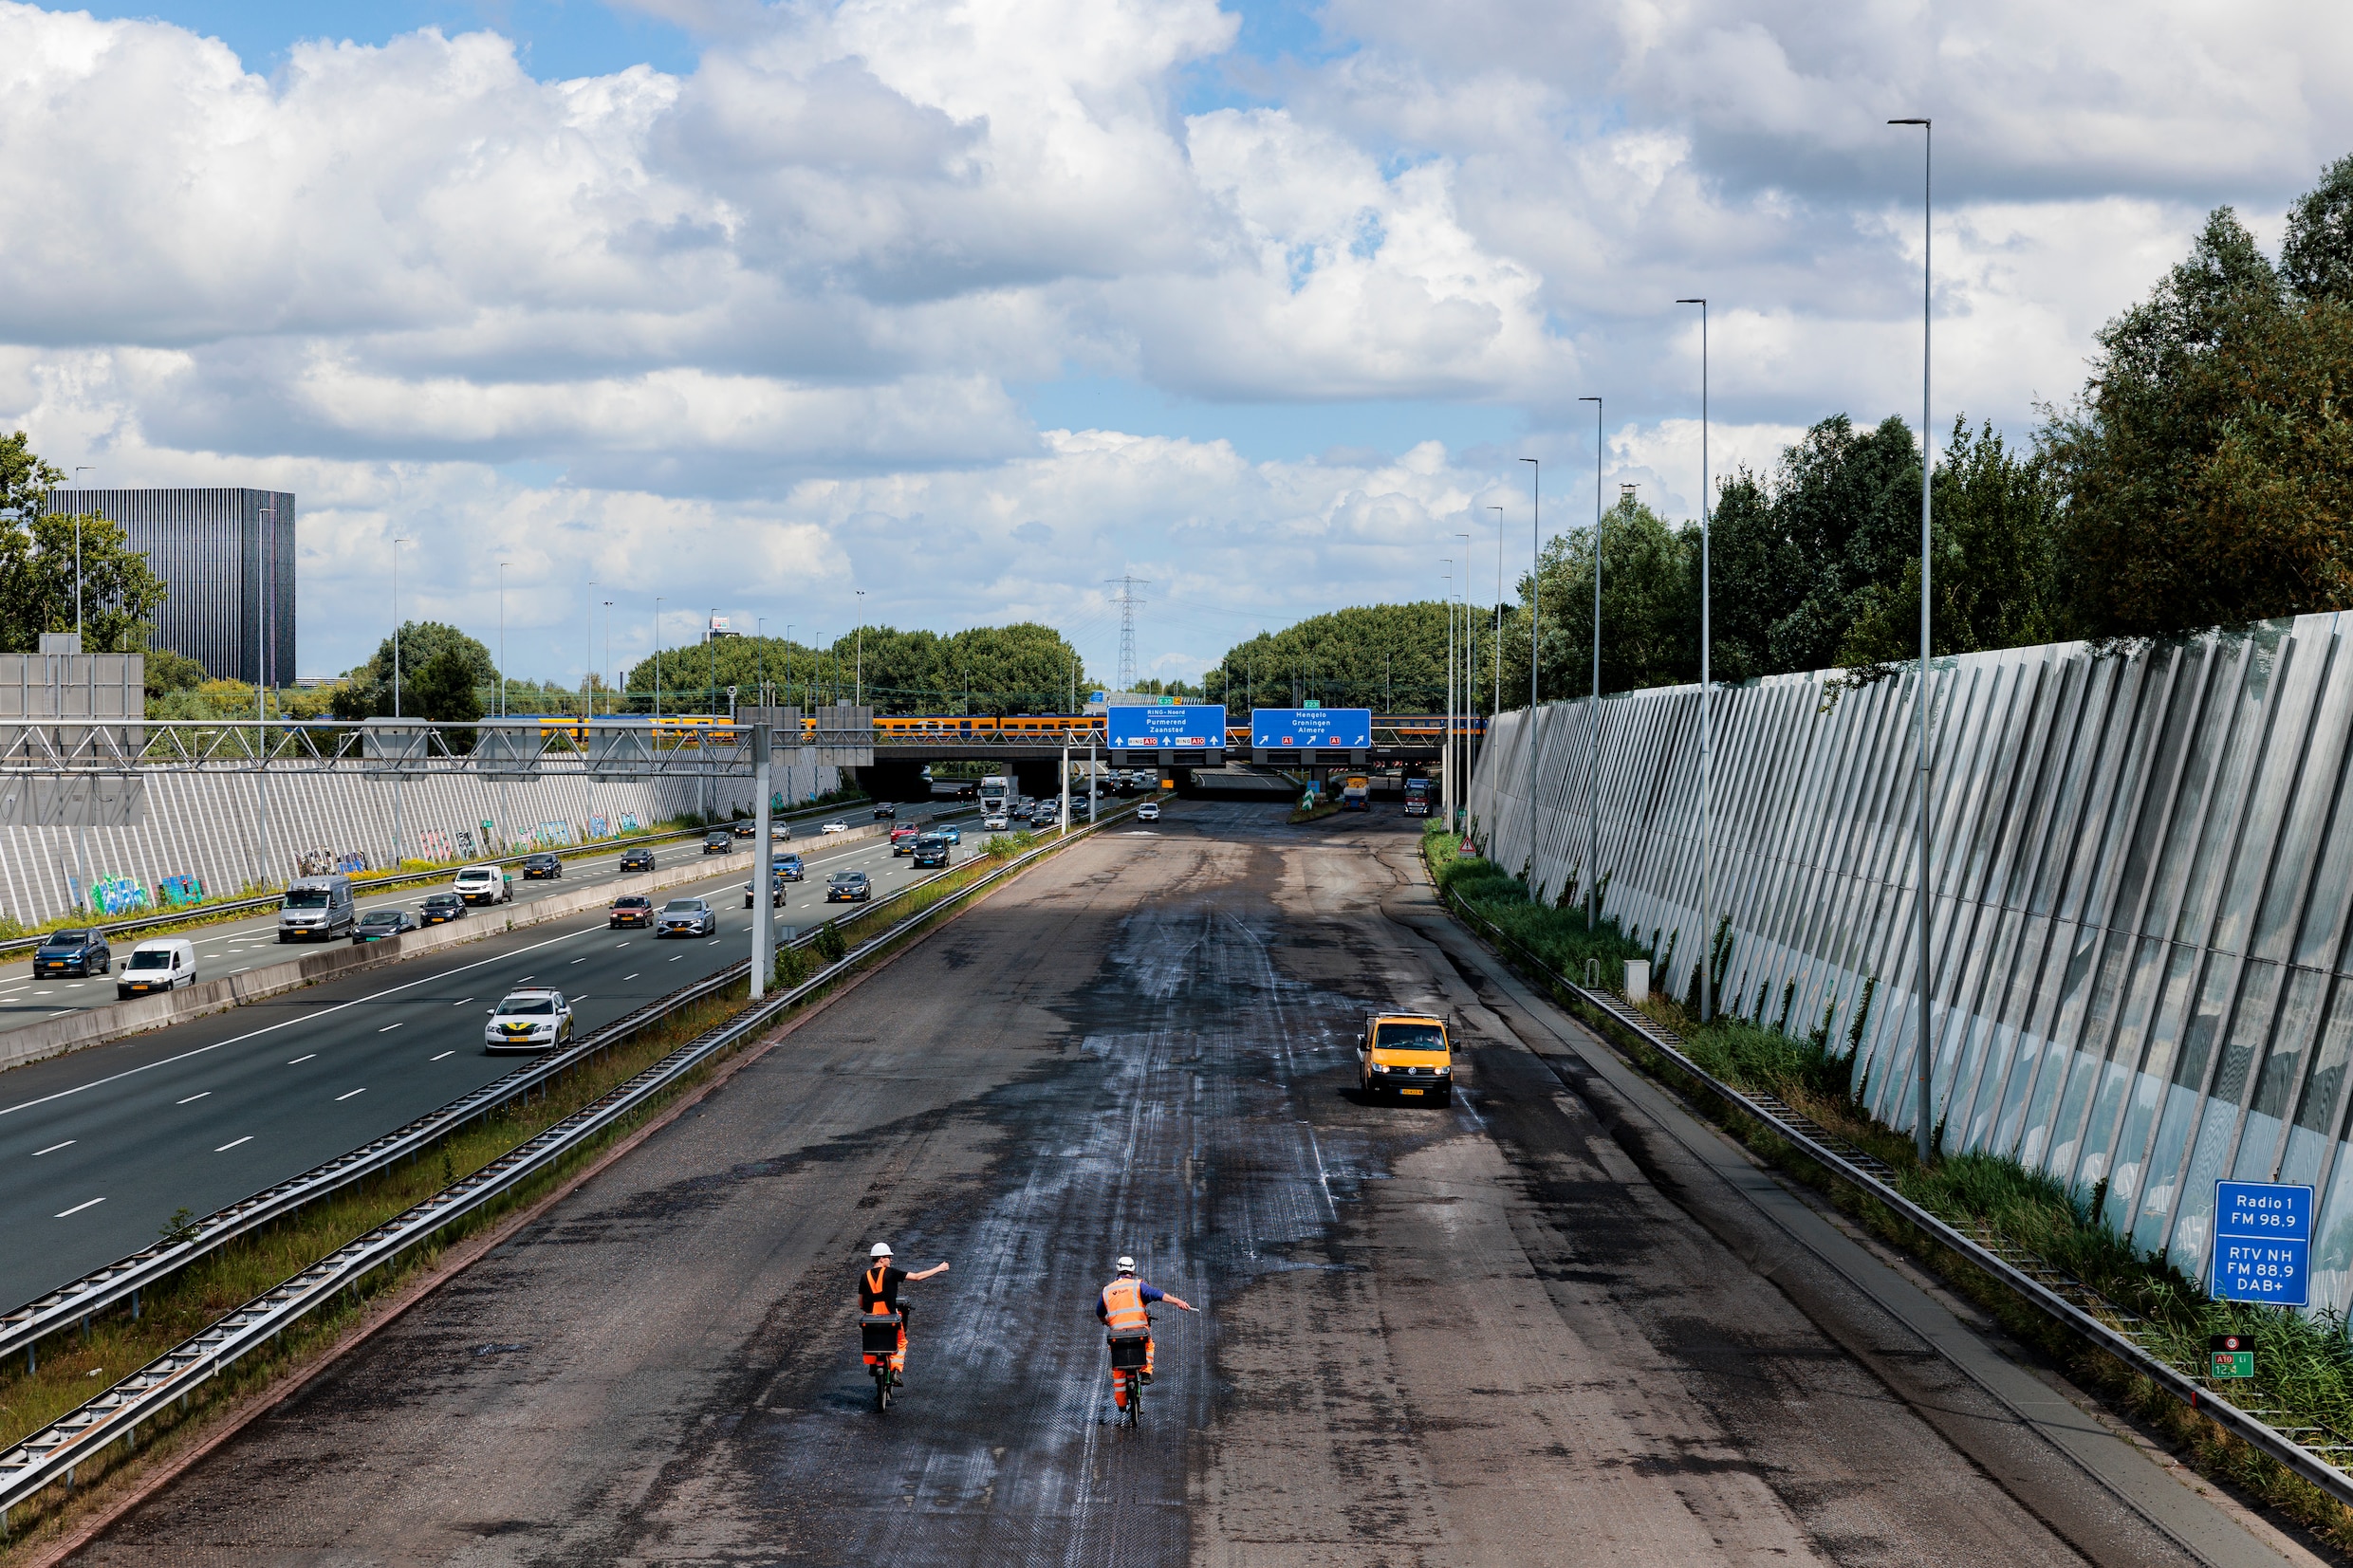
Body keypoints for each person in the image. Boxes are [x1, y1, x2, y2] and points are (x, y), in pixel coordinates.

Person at [1097, 1255, 1195, 1407]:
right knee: (1148, 1345)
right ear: (1133, 1270)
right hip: (1138, 1333)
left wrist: (1107, 1322)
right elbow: (1159, 1295)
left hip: (1117, 1336)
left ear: (1117, 1269)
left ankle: (1122, 1403)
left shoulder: (1107, 1290)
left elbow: (1100, 1313)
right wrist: (1178, 1302)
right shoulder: (1138, 1286)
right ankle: (1146, 1372)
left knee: (1118, 1366)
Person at [861, 1243, 949, 1385]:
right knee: (900, 1341)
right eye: (889, 1257)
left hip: (871, 1319)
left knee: (871, 1341)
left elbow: (860, 1302)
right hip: (889, 1319)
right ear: (882, 1259)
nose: (890, 1260)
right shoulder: (891, 1273)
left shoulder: (865, 1277)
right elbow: (917, 1277)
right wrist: (939, 1268)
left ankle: (873, 1365)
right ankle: (895, 1370)